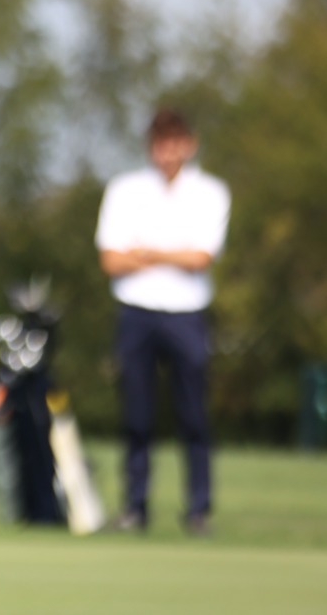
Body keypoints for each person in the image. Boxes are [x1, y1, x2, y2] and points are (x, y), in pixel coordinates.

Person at [95, 108, 230, 536]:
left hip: (187, 313)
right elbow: (112, 260)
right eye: (159, 142)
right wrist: (170, 254)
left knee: (193, 416)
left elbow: (200, 257)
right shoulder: (125, 189)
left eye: (174, 142)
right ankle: (135, 507)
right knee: (137, 417)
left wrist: (148, 253)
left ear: (188, 144)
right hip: (136, 312)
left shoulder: (210, 192)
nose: (166, 151)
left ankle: (198, 510)